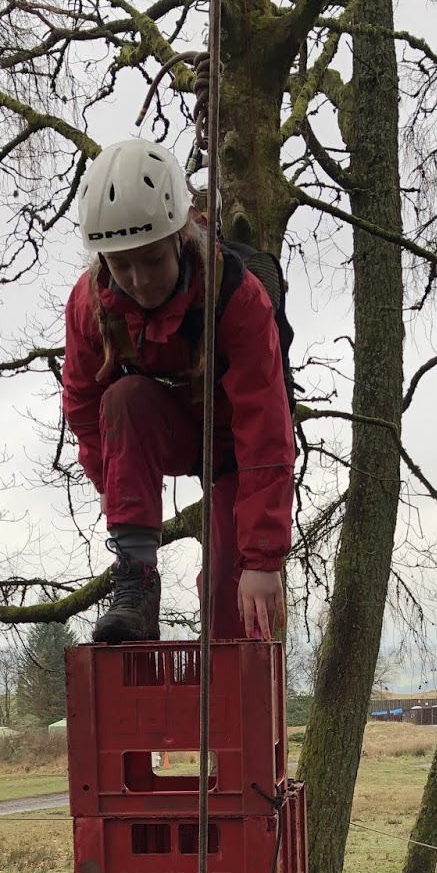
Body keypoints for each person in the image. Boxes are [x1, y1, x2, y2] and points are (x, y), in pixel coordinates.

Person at [62, 139, 295, 645]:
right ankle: (136, 585)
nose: (139, 281)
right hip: (165, 427)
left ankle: (236, 716)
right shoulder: (91, 304)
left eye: (150, 260)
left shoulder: (237, 298)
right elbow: (84, 409)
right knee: (122, 399)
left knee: (236, 600)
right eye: (121, 265)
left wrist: (261, 558)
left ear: (180, 237)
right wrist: (117, 489)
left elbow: (266, 428)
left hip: (235, 446)